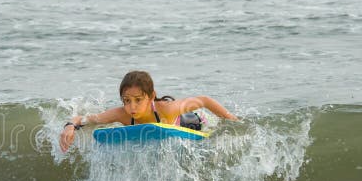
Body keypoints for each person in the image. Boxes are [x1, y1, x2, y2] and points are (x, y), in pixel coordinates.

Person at [59, 70, 239, 152]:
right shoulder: (122, 114)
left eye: (138, 100)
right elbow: (84, 119)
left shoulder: (167, 109)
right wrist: (70, 126)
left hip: (189, 122)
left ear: (151, 96)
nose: (132, 107)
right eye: (126, 101)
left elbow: (205, 100)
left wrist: (232, 120)